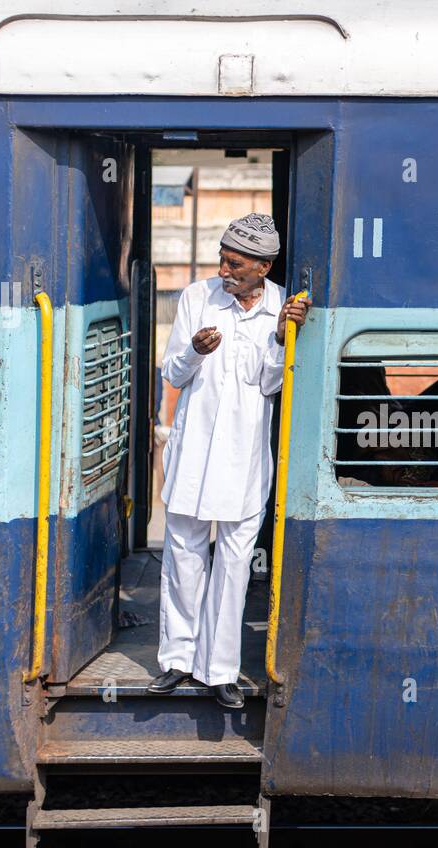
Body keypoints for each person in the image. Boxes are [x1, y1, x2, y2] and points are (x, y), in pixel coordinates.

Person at [148, 213, 309, 709]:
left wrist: (282, 339)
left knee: (235, 566)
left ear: (262, 267)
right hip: (193, 452)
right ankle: (176, 661)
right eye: (222, 258)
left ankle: (220, 670)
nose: (224, 269)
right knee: (184, 557)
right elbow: (173, 375)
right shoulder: (198, 298)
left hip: (243, 459)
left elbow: (270, 384)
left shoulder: (282, 305)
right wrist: (195, 350)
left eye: (234, 263)